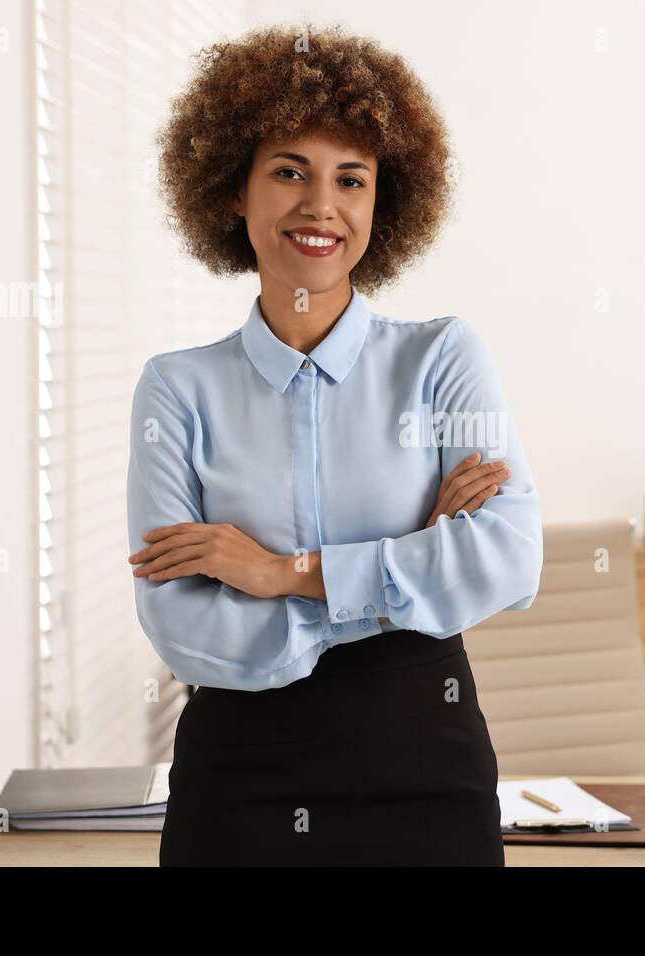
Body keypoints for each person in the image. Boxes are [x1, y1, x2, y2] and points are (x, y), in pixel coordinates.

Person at [126, 23, 543, 865]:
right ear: (234, 191)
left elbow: (508, 561)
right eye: (290, 172)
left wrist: (278, 573)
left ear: (381, 203)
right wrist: (406, 571)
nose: (321, 206)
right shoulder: (177, 389)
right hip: (239, 770)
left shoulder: (442, 359)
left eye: (351, 179)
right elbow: (183, 630)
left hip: (425, 759)